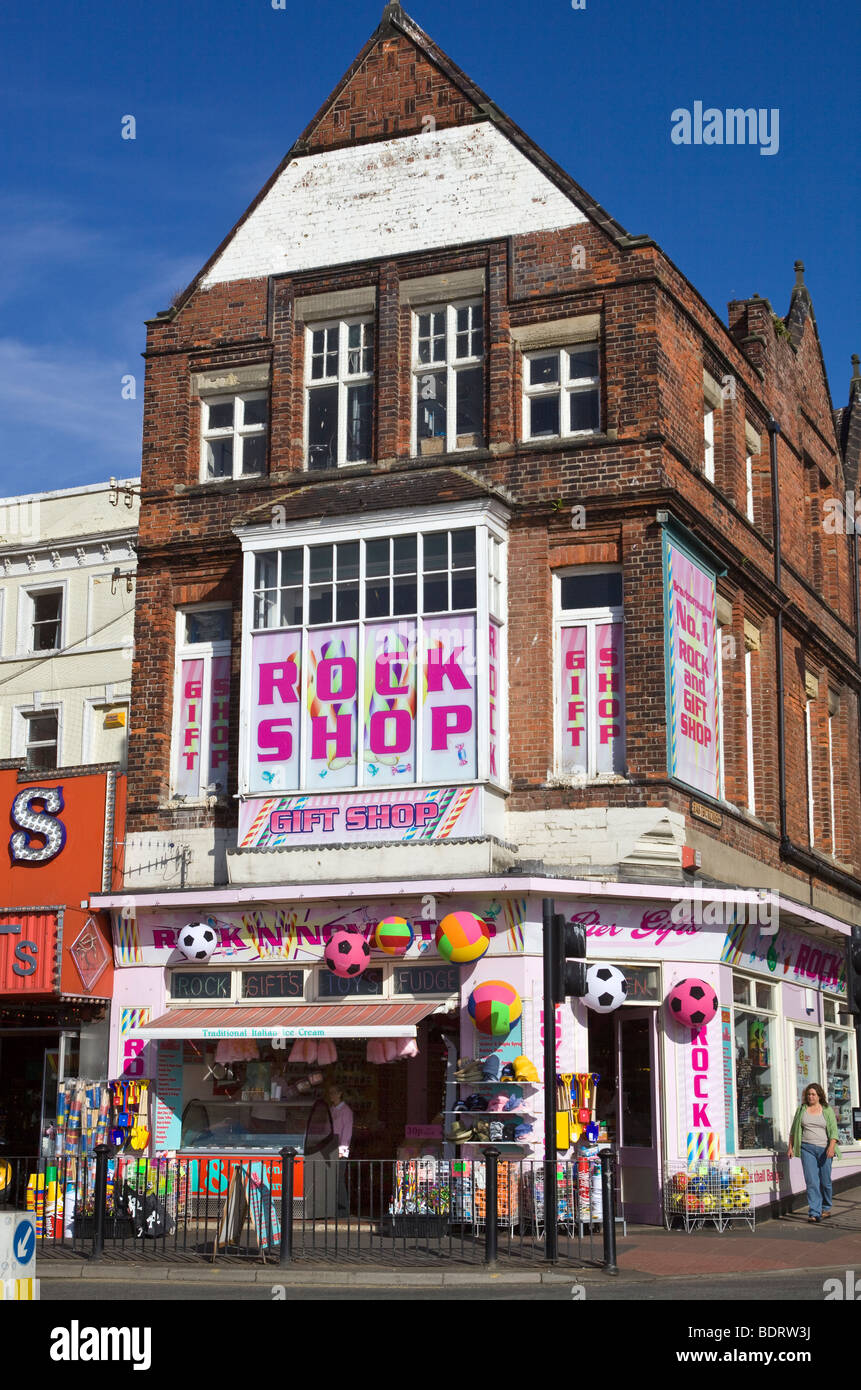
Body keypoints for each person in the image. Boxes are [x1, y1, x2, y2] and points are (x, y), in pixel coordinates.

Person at [788, 1083, 840, 1223]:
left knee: (825, 1181)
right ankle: (814, 1212)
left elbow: (834, 1131)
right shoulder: (801, 1110)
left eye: (813, 1094)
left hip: (825, 1149)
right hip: (807, 1149)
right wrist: (790, 1147)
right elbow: (794, 1131)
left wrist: (831, 1147)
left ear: (819, 1096)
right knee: (811, 1181)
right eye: (809, 1094)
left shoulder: (827, 1110)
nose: (810, 1097)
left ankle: (826, 1207)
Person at [325, 1084, 353, 1216]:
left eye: (334, 1093)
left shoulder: (346, 1111)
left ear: (340, 1093)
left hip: (340, 1149)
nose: (332, 1095)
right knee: (331, 1178)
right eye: (330, 1093)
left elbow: (347, 1132)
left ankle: (343, 1208)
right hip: (330, 1148)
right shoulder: (331, 1110)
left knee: (338, 1179)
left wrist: (342, 1150)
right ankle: (333, 1207)